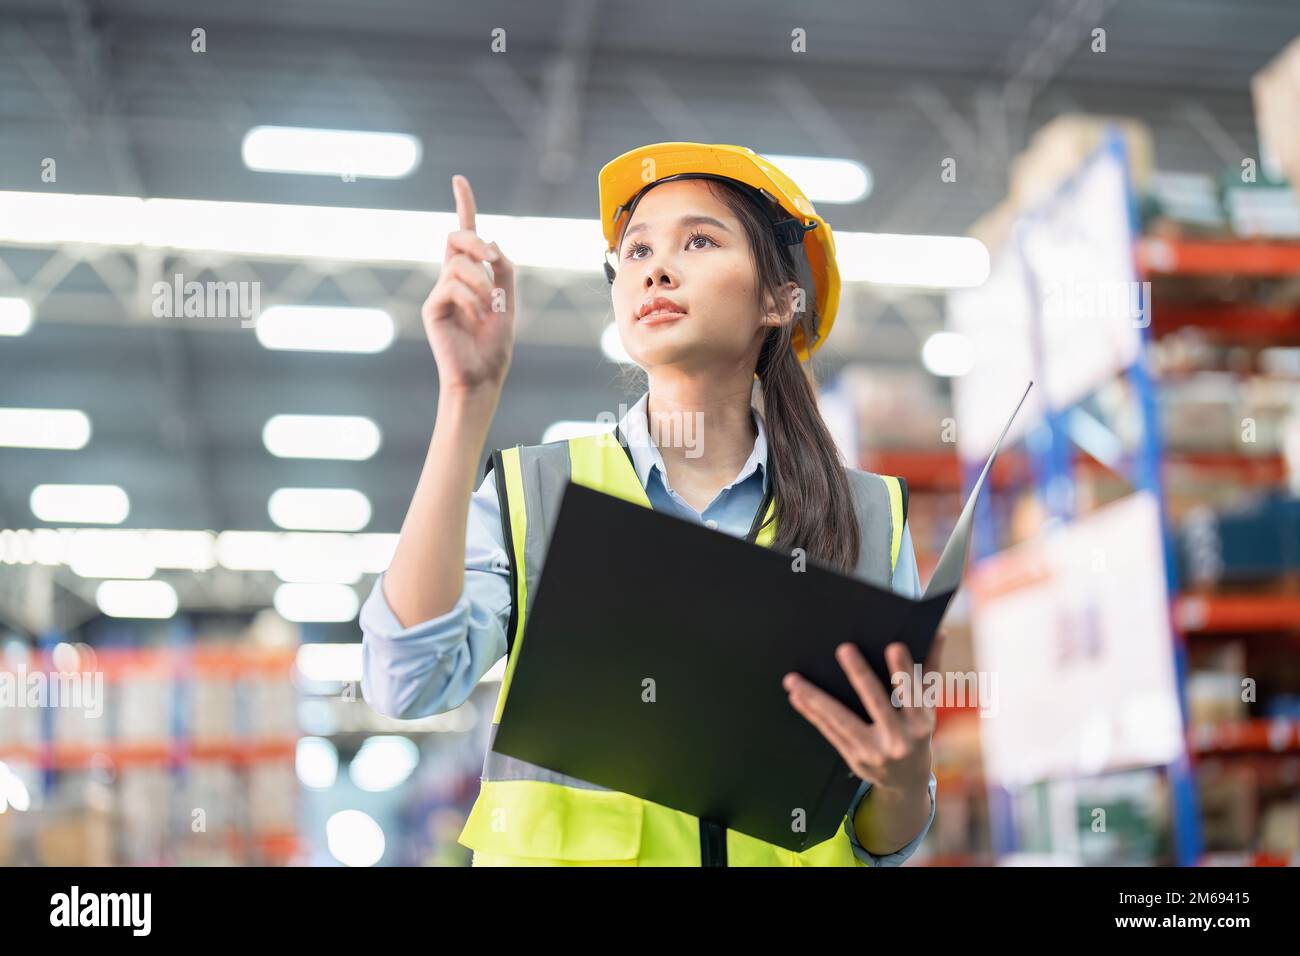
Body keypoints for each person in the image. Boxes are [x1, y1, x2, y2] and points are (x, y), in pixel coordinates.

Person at [361, 142, 941, 866]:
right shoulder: (534, 497)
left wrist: (906, 780)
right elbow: (406, 681)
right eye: (635, 251)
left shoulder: (868, 520)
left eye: (699, 240)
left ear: (778, 299)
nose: (656, 268)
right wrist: (466, 400)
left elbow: (881, 836)